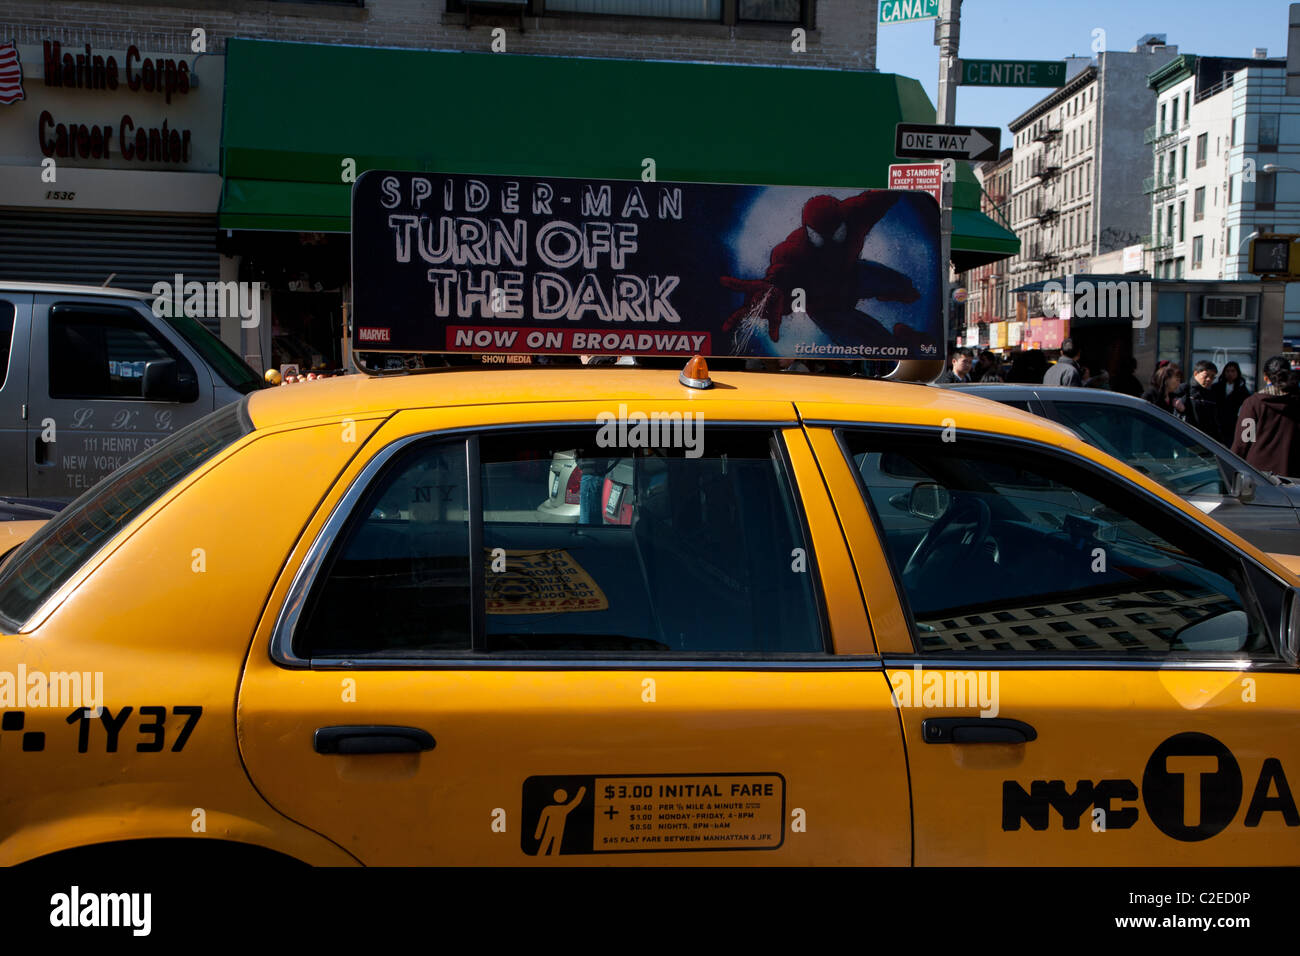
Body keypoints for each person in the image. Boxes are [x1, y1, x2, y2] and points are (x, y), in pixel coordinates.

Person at [1231, 355, 1300, 478]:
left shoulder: (1253, 402)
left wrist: (1231, 467)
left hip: (1259, 474)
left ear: (1265, 377)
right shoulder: (1296, 401)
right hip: (1292, 472)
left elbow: (1244, 440)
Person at [1176, 360, 1224, 444]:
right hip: (1187, 437)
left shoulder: (1212, 394)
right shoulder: (1184, 389)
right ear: (1195, 374)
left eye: (1212, 377)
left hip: (1207, 441)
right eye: (1206, 376)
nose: (1209, 379)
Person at [1211, 361, 1252, 439]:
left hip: (1233, 423)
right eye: (1227, 371)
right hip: (1217, 422)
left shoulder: (1242, 389)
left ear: (1237, 372)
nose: (1230, 374)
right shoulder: (1216, 387)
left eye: (1233, 371)